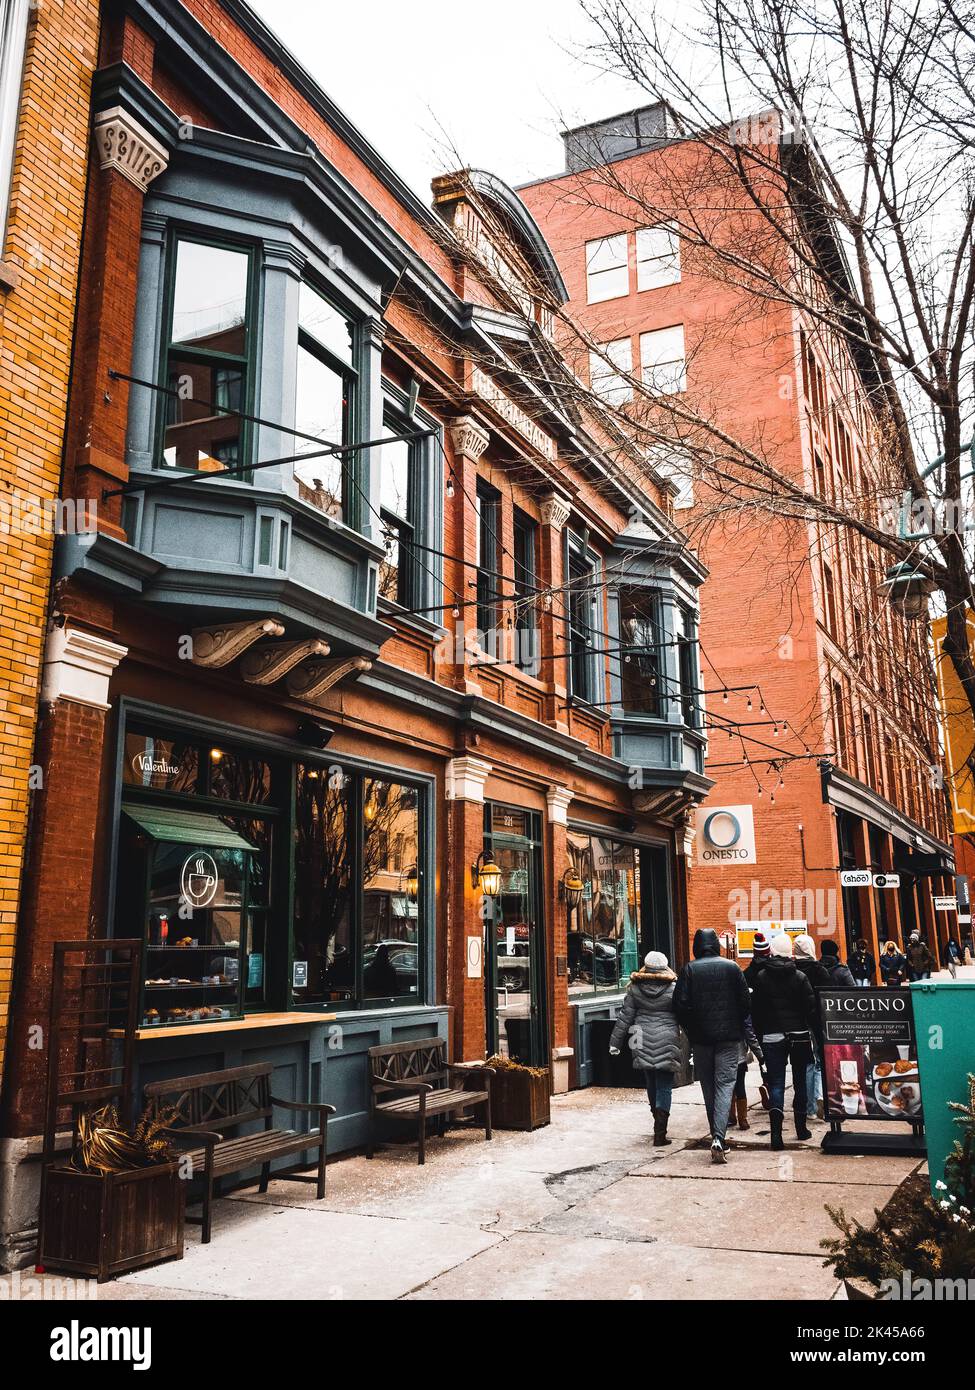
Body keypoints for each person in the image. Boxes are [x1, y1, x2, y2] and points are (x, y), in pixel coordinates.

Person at [674, 927, 749, 1164]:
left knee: (708, 1087)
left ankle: (717, 1136)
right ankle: (719, 1138)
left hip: (702, 1039)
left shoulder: (689, 969)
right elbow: (746, 1003)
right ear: (716, 945)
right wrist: (735, 1025)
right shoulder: (732, 967)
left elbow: (679, 1005)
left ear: (697, 946)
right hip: (728, 1038)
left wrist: (692, 1029)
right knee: (726, 1085)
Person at [749, 932, 818, 1149]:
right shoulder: (800, 977)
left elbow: (756, 1011)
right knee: (799, 1082)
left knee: (777, 1083)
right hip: (798, 1035)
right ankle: (801, 1129)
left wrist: (760, 1036)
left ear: (772, 952)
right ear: (790, 954)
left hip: (772, 1036)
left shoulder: (761, 977)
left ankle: (776, 1136)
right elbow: (810, 1009)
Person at [609, 950, 682, 1146]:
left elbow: (625, 1017)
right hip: (667, 1036)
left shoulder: (635, 987)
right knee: (665, 1084)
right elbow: (684, 1016)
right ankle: (660, 1131)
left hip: (639, 1036)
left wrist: (614, 1043)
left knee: (651, 1081)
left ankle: (656, 1120)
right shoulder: (674, 988)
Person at [793, 934, 829, 1119]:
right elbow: (828, 998)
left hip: (798, 1023)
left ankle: (810, 1109)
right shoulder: (819, 970)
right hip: (817, 1022)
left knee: (806, 1063)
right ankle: (820, 1096)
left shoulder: (791, 970)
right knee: (820, 1062)